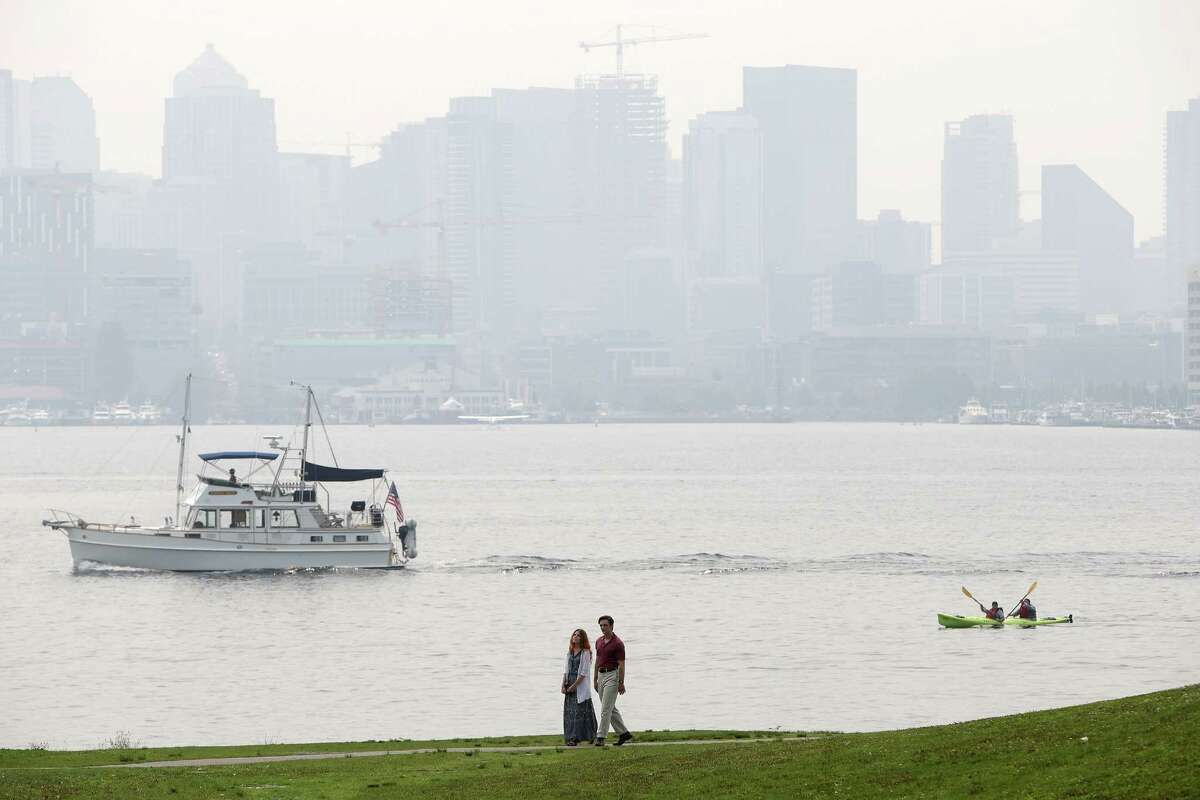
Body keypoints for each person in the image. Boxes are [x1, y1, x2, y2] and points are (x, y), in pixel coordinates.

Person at [593, 615, 632, 746]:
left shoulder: (618, 644)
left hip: (612, 676)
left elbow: (622, 664)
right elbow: (597, 661)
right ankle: (624, 733)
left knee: (605, 709)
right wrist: (595, 679)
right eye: (601, 626)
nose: (603, 628)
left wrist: (621, 682)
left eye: (605, 625)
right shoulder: (598, 641)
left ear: (611, 626)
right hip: (601, 675)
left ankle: (601, 737)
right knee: (610, 708)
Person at [561, 628, 597, 746]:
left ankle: (581, 737)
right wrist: (563, 684)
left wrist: (574, 686)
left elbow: (583, 673)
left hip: (579, 684)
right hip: (569, 681)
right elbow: (566, 670)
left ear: (583, 638)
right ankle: (570, 737)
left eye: (578, 635)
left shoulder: (585, 652)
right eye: (574, 634)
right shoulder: (570, 652)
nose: (575, 636)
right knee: (570, 712)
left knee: (580, 711)